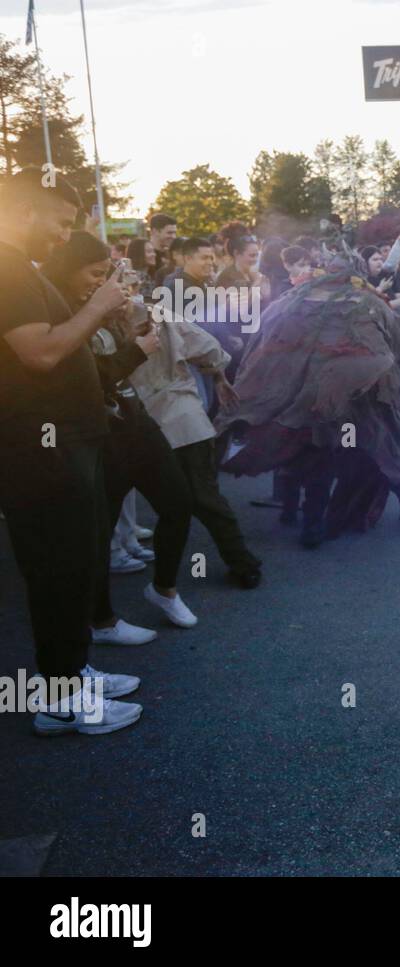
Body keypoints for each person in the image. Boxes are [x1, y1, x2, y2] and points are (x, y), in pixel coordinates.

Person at [0, 169, 143, 735]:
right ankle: (60, 699)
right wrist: (98, 304)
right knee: (58, 569)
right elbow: (39, 354)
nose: (64, 236)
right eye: (59, 222)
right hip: (40, 446)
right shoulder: (8, 270)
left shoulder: (23, 271)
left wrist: (102, 312)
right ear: (25, 211)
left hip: (61, 441)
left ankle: (73, 672)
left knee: (75, 564)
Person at [43, 231, 199, 637]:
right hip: (99, 432)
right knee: (99, 532)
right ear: (67, 270)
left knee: (180, 502)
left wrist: (133, 330)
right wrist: (137, 350)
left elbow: (113, 361)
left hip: (133, 419)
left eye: (104, 274)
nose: (100, 282)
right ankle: (102, 621)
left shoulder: (94, 306)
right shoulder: (58, 314)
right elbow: (89, 378)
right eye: (93, 273)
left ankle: (164, 588)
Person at [217, 245, 400, 544]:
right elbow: (396, 347)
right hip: (354, 397)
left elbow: (263, 342)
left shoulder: (293, 299)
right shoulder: (368, 301)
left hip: (308, 396)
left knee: (314, 453)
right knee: (376, 446)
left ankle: (304, 520)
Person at [129, 268, 262, 588]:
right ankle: (242, 563)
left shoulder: (98, 324)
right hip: (183, 419)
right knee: (205, 498)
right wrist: (217, 376)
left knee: (158, 502)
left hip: (137, 422)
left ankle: (131, 577)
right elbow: (210, 348)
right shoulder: (161, 316)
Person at [148, 213, 178, 285]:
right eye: (169, 233)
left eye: (174, 233)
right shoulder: (144, 255)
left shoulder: (171, 254)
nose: (173, 236)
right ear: (155, 231)